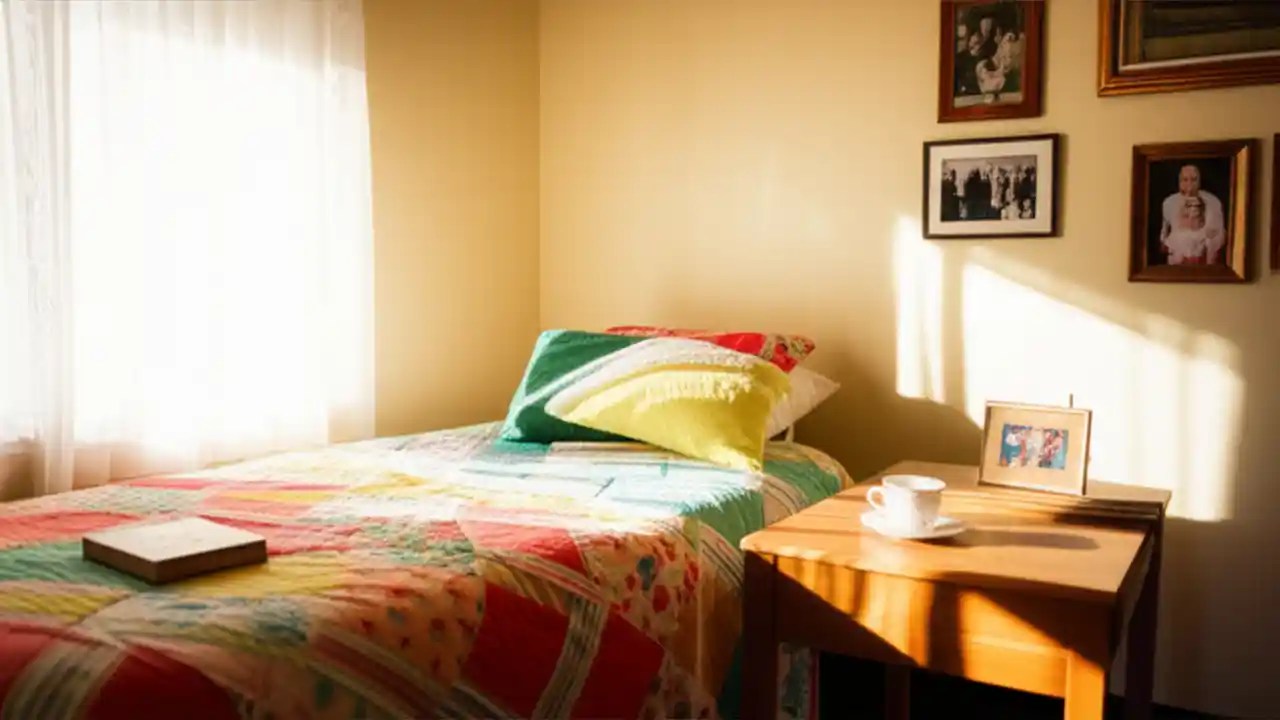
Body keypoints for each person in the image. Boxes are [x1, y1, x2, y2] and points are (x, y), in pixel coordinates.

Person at [1160, 164, 1225, 264]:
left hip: (1201, 256)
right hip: (1177, 256)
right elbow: (1164, 233)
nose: (1189, 184)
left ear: (1199, 181)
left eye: (1194, 180)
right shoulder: (1169, 203)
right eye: (1185, 180)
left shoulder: (1212, 202)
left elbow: (1217, 234)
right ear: (1179, 181)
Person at [1165, 195, 1213, 265]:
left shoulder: (1206, 232)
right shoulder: (1177, 234)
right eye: (1190, 205)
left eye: (1197, 205)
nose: (1194, 208)